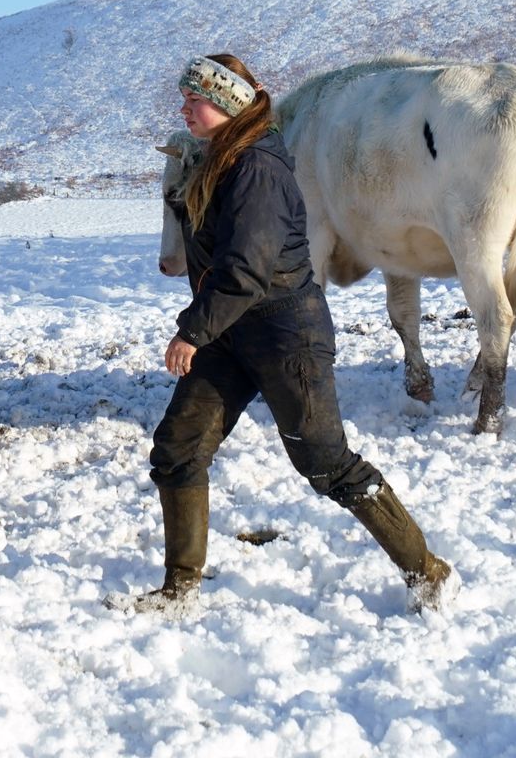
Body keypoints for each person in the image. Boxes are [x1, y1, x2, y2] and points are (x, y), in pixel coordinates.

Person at [123, 53, 453, 614]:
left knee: (326, 463)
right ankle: (180, 589)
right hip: (231, 332)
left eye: (193, 99)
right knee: (178, 449)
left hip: (284, 334)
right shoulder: (220, 159)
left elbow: (247, 268)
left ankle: (427, 570)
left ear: (226, 105)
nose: (183, 108)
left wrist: (192, 332)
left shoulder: (257, 168)